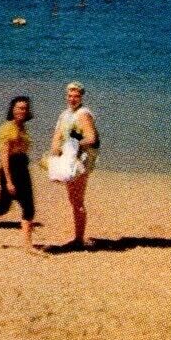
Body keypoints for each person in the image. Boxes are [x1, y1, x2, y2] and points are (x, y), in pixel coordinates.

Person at [0, 96, 37, 250]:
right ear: (12, 109)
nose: (22, 111)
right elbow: (4, 156)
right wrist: (8, 181)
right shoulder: (7, 128)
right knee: (3, 205)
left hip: (22, 168)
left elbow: (22, 149)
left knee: (29, 207)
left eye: (25, 108)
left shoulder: (22, 127)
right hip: (10, 170)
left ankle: (27, 244)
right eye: (19, 108)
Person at [50, 81, 99, 250]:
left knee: (77, 199)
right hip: (67, 160)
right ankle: (78, 236)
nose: (72, 99)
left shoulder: (84, 114)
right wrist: (55, 149)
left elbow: (91, 138)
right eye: (70, 96)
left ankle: (79, 239)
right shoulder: (64, 114)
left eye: (76, 96)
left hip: (79, 161)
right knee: (72, 198)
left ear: (81, 97)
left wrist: (73, 144)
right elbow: (57, 136)